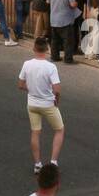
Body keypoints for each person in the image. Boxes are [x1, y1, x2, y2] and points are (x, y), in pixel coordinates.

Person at [19, 38, 64, 170]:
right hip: (48, 104)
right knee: (59, 130)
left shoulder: (26, 64)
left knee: (35, 132)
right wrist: (57, 99)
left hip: (32, 103)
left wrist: (31, 89)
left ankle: (37, 164)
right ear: (47, 49)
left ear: (34, 49)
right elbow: (57, 89)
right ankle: (53, 162)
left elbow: (21, 85)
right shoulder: (51, 67)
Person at [47, 0, 80, 64]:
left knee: (55, 40)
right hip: (65, 20)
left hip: (54, 19)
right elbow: (72, 4)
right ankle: (68, 59)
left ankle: (54, 56)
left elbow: (48, 1)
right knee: (68, 41)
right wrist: (76, 3)